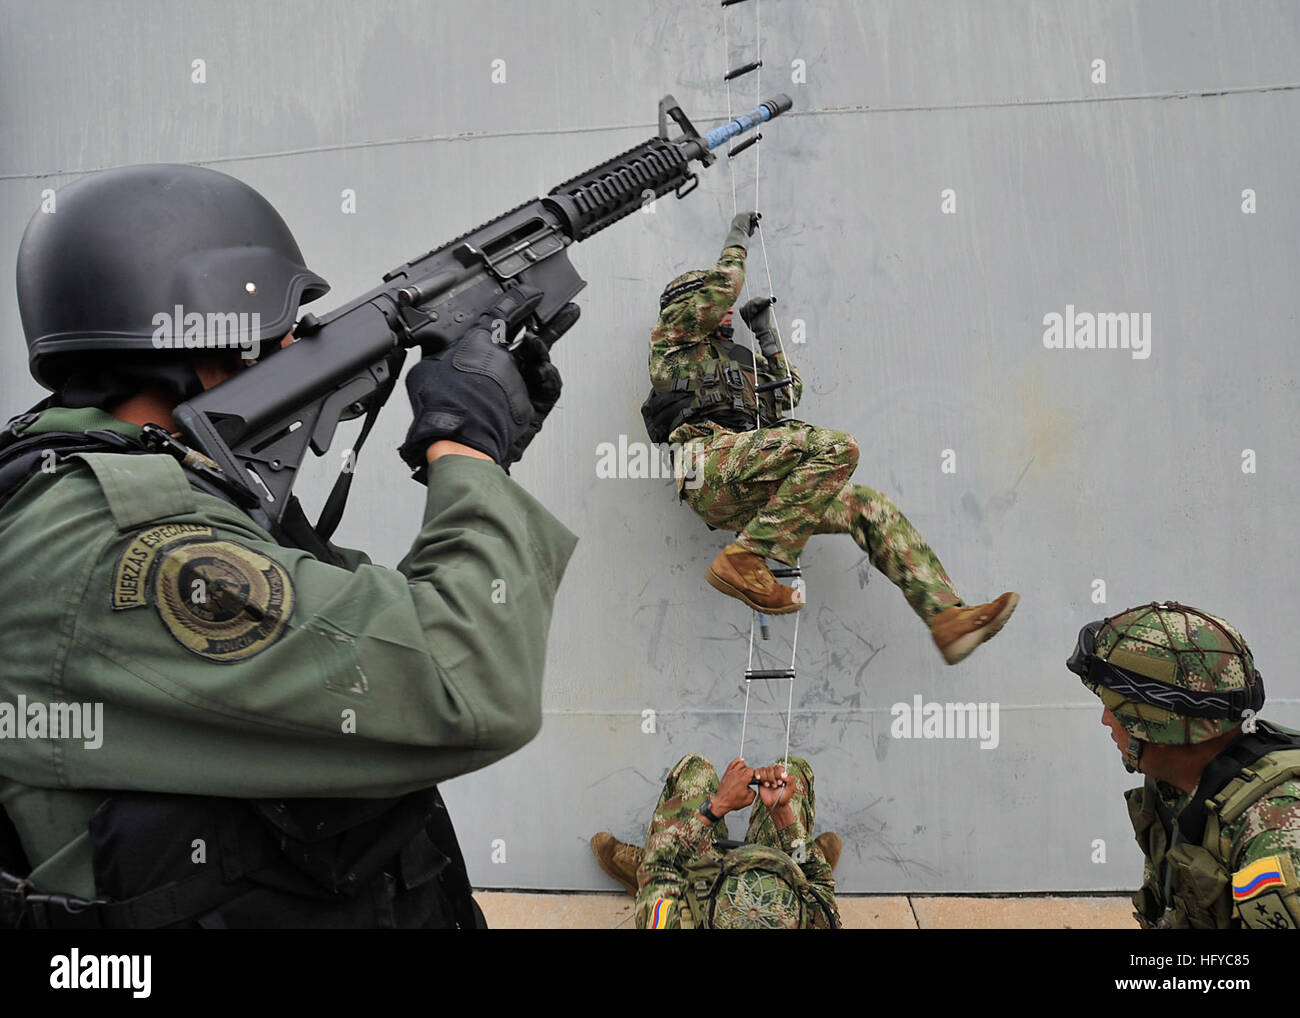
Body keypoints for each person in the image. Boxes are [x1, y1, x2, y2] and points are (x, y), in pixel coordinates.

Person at [0, 163, 578, 929]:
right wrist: (466, 449)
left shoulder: (105, 488)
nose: (294, 346)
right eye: (282, 330)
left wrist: (476, 442)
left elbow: (367, 642)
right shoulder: (121, 538)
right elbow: (462, 683)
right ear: (209, 344)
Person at [644, 211, 1017, 664]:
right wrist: (736, 240)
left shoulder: (735, 361)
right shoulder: (673, 342)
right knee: (838, 447)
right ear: (688, 306)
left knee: (867, 506)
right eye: (715, 306)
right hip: (709, 468)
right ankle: (745, 562)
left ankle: (946, 618)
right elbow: (724, 285)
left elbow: (786, 396)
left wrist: (767, 338)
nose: (725, 312)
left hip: (747, 487)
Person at [1067, 600, 1300, 929]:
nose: (1106, 720)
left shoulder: (1275, 833)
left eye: (1114, 708)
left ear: (1159, 725)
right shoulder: (1176, 786)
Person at [593, 753, 841, 929]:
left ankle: (653, 888)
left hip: (697, 879)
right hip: (779, 881)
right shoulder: (819, 920)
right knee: (791, 770)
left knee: (696, 769)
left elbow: (659, 861)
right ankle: (798, 865)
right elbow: (821, 881)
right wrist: (782, 814)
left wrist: (718, 805)